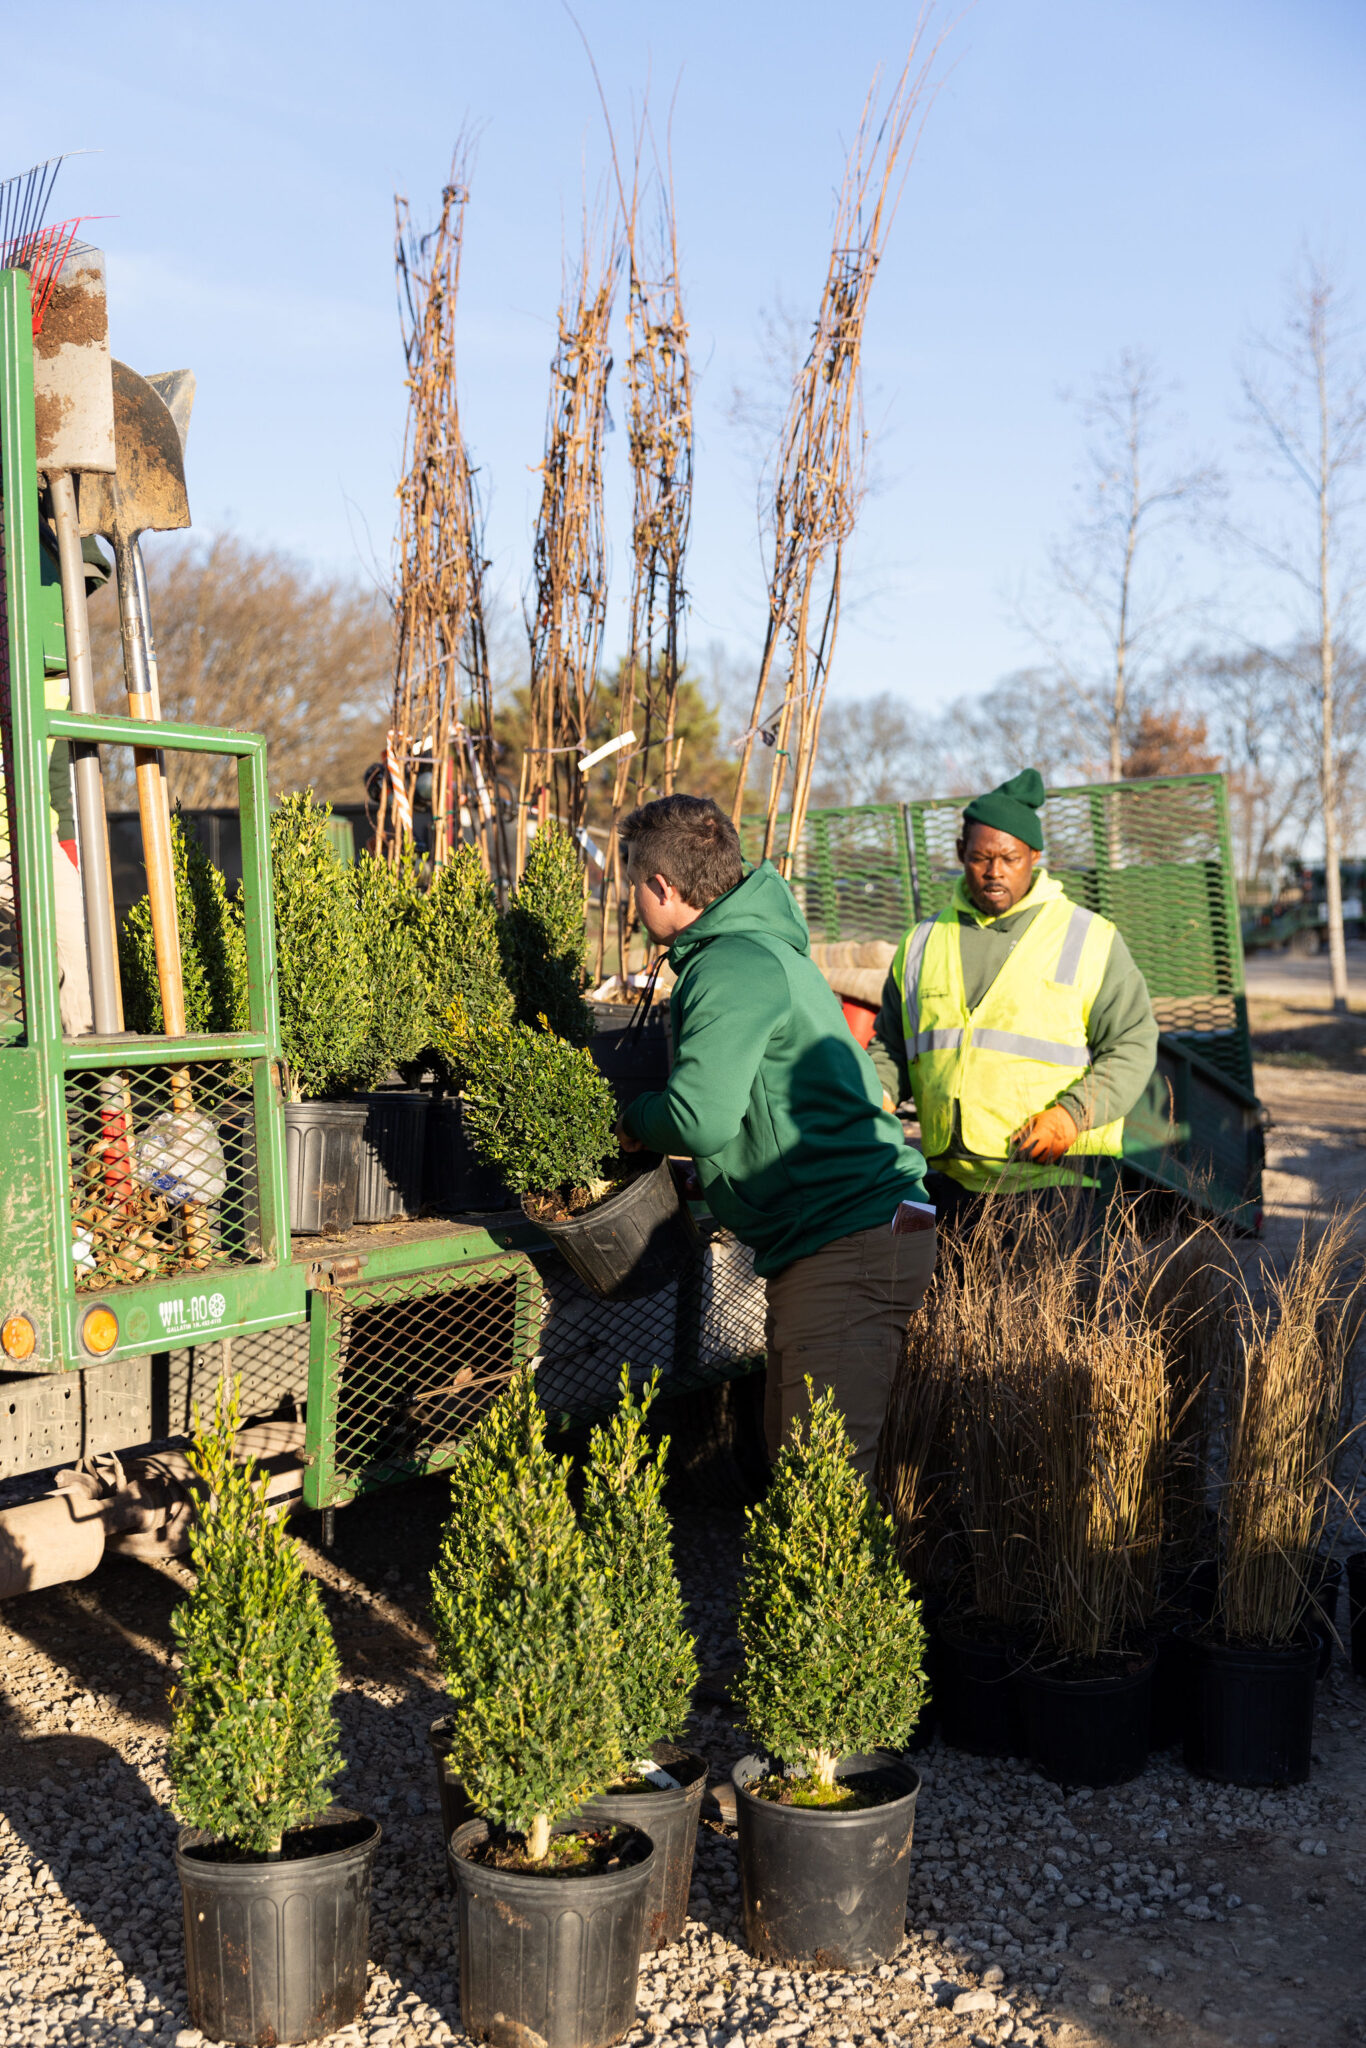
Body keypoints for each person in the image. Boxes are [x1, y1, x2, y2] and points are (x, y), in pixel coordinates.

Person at [616, 793, 936, 1483]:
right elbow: (762, 1104)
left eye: (634, 886)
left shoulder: (732, 965)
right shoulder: (759, 950)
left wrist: (635, 1123)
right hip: (852, 1231)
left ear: (663, 886)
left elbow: (699, 1116)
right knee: (802, 1462)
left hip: (847, 1239)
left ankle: (857, 1596)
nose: (633, 903)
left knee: (822, 1487)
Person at [868, 768, 1158, 1230]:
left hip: (1054, 1183)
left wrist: (1071, 1116)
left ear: (1035, 856)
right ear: (961, 853)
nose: (995, 871)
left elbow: (1131, 1044)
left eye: (1010, 857)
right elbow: (891, 1043)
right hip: (948, 1183)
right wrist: (877, 1093)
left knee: (1051, 1305)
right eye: (982, 857)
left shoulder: (1088, 938)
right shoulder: (921, 943)